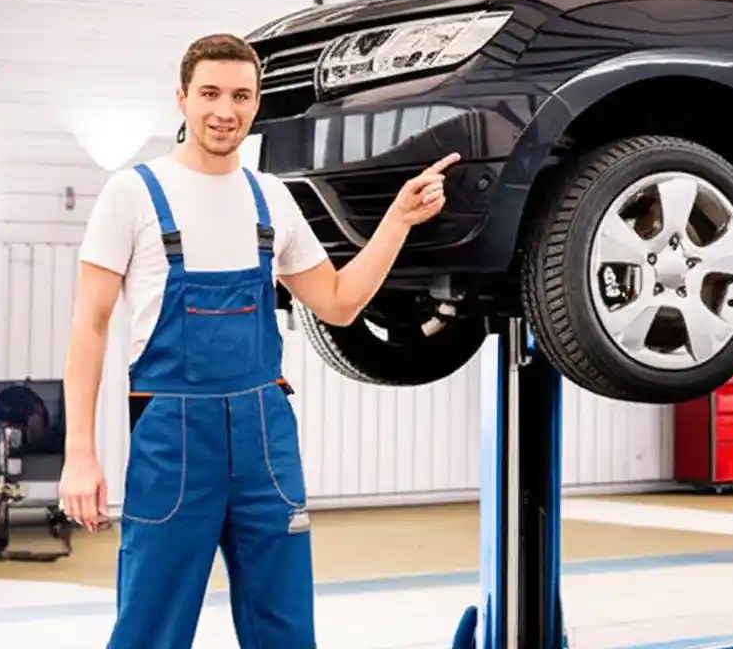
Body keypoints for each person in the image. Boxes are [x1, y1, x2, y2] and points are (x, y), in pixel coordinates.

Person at [56, 33, 459, 648]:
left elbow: (340, 303)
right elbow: (89, 326)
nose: (226, 111)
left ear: (257, 103)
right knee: (149, 629)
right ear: (182, 99)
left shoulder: (270, 198)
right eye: (210, 93)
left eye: (241, 96)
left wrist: (396, 221)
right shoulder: (132, 194)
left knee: (285, 628)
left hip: (264, 436)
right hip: (173, 439)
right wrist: (79, 454)